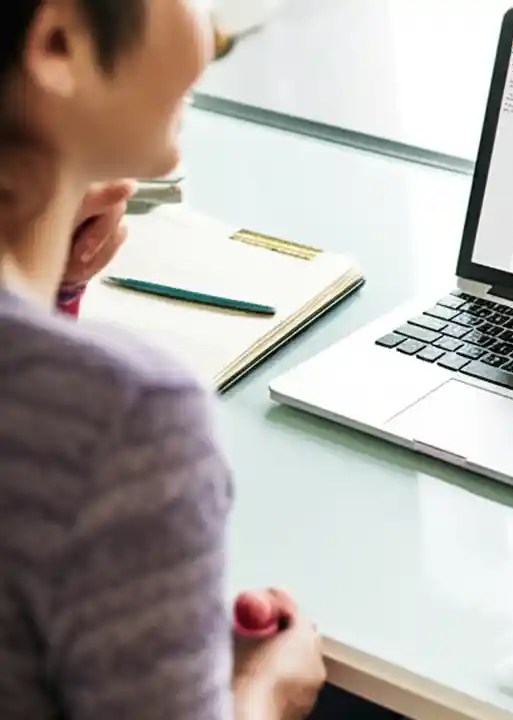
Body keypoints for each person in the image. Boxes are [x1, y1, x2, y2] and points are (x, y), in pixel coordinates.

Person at [0, 2, 326, 718]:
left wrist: (50, 291)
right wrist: (266, 693)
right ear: (58, 44)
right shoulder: (126, 420)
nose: (215, 32)